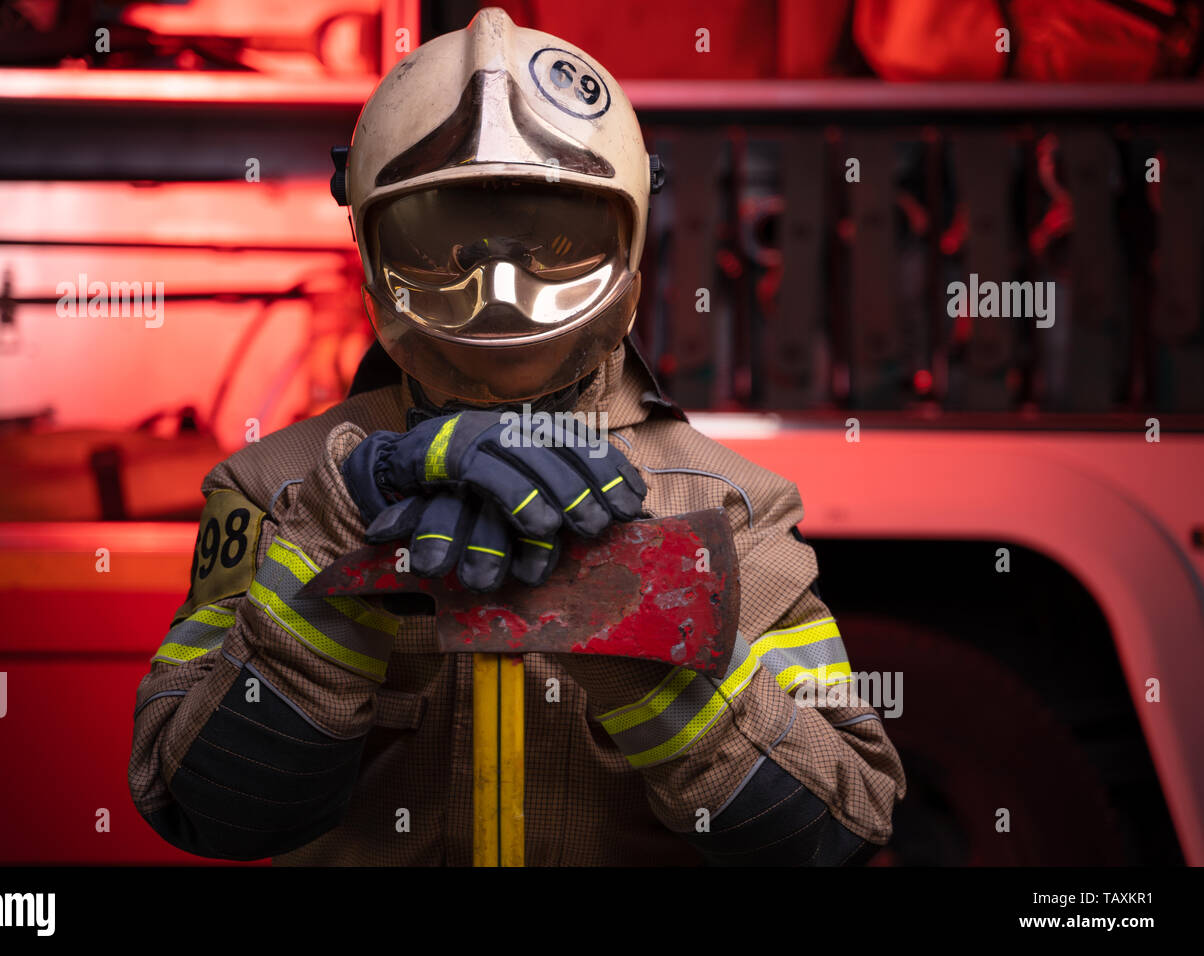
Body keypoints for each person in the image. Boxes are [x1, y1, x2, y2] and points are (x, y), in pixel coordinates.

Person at [128, 7, 905, 865]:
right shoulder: (277, 489)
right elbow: (202, 809)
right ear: (370, 240)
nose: (498, 290)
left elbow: (845, 826)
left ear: (631, 234)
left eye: (553, 243)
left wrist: (645, 644)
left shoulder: (728, 506)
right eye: (444, 244)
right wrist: (331, 551)